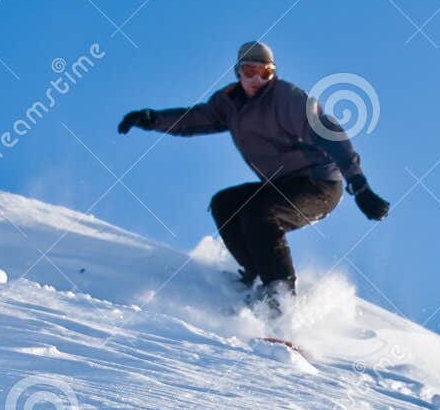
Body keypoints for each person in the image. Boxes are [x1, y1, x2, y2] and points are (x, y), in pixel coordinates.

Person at [117, 41, 389, 313]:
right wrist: (152, 119)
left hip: (319, 185)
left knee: (260, 213)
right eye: (250, 71)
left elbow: (330, 132)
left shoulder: (286, 98)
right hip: (282, 184)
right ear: (238, 72)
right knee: (226, 204)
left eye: (265, 73)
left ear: (273, 74)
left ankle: (281, 301)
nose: (257, 79)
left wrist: (359, 184)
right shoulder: (228, 104)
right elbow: (193, 120)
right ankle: (257, 276)